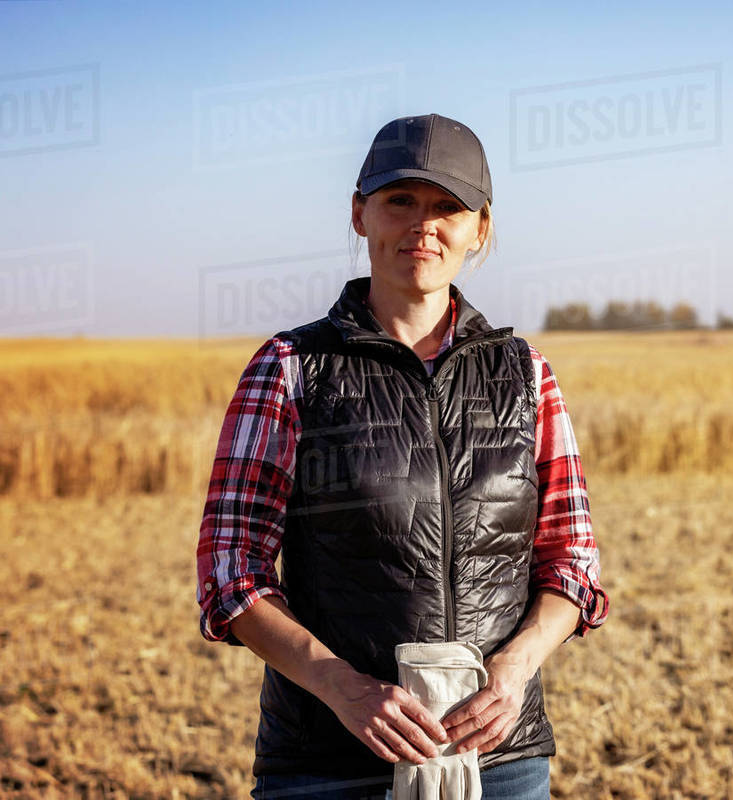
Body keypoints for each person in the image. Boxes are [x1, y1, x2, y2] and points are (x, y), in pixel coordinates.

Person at [195, 113, 609, 800]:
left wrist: (513, 672)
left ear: (481, 229)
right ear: (360, 215)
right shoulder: (290, 369)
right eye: (400, 201)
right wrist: (342, 687)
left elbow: (571, 560)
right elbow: (229, 570)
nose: (426, 225)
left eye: (450, 207)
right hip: (330, 766)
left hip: (501, 765)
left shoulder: (527, 375)